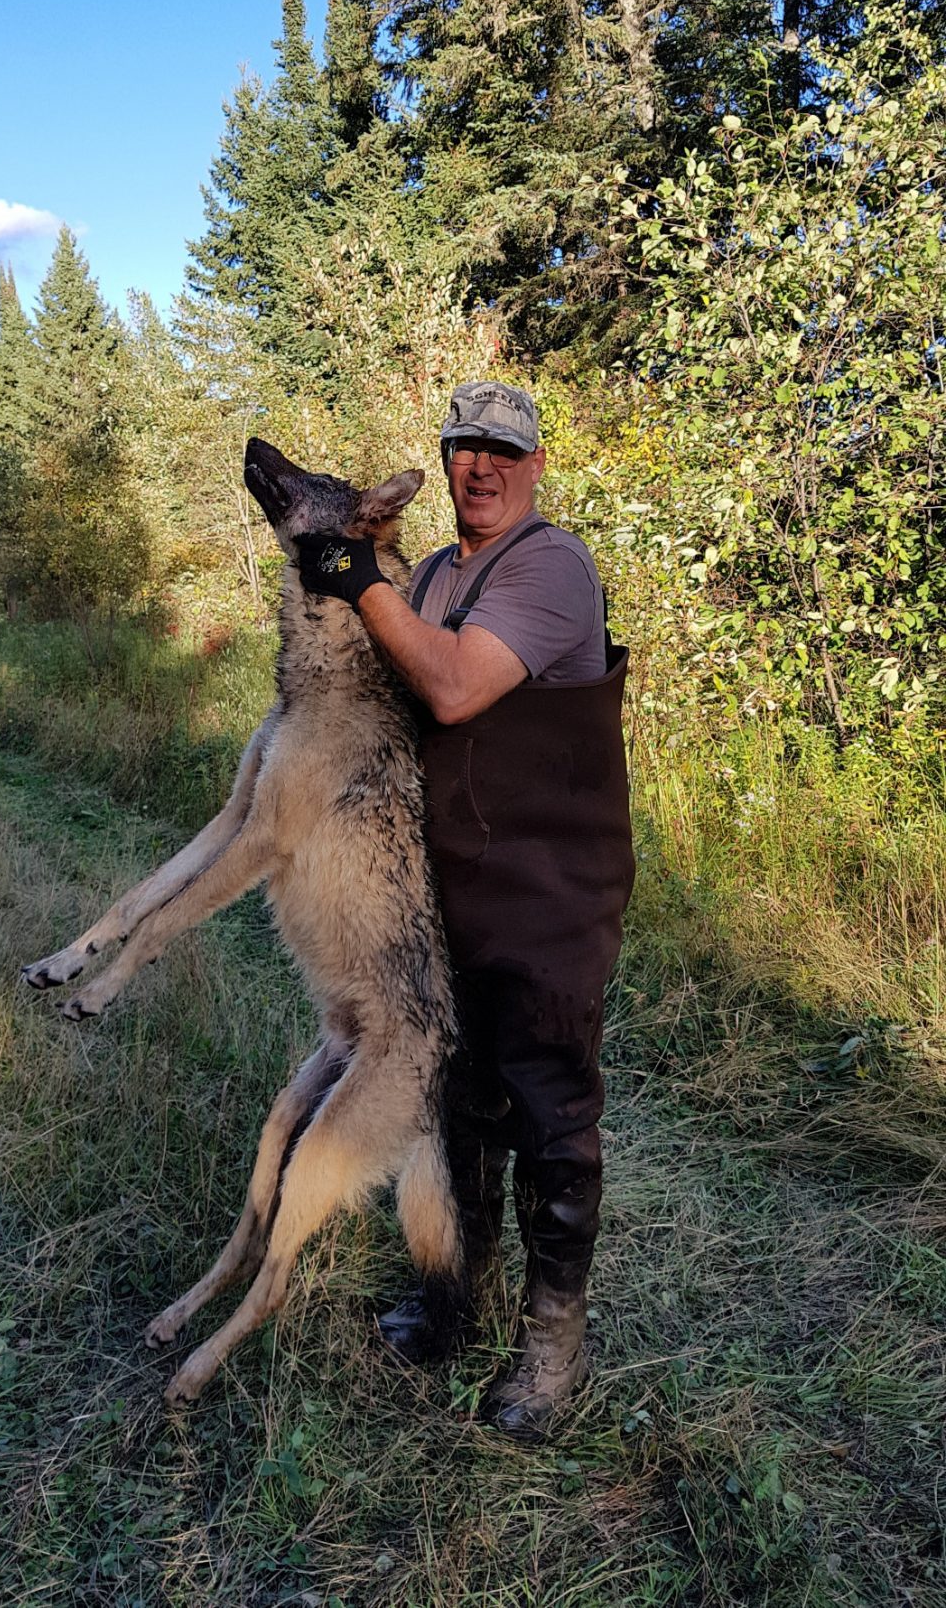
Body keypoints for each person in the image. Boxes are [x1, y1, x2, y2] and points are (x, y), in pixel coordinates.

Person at [295, 382, 635, 1438]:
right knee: (460, 1100)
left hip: (547, 892)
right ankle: (459, 1296)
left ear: (534, 467)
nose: (477, 465)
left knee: (547, 1106)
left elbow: (448, 688)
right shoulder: (438, 571)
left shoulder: (550, 566)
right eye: (460, 447)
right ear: (443, 463)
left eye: (500, 448)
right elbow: (390, 698)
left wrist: (357, 580)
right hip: (450, 887)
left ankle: (550, 1340)